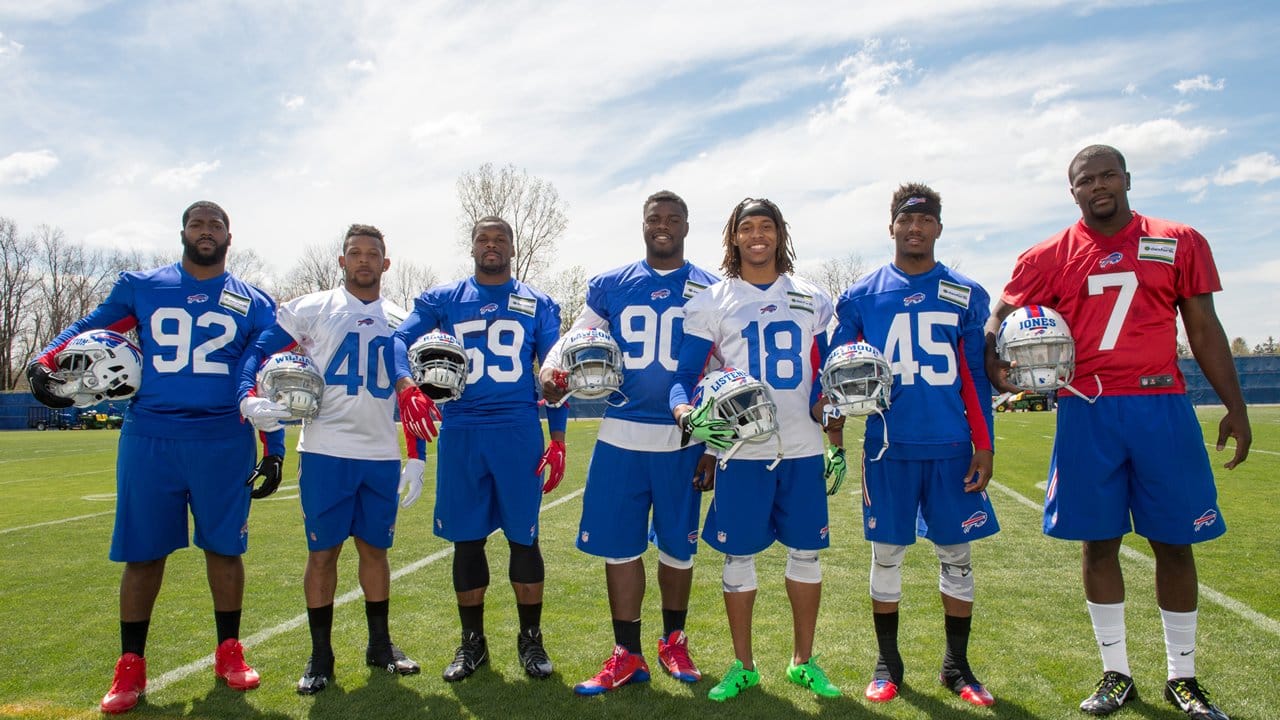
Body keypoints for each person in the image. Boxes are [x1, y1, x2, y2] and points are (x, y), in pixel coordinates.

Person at [985, 145, 1251, 720]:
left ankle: (1183, 677)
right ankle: (1116, 672)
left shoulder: (1179, 238)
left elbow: (1203, 326)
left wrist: (1236, 405)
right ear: (1072, 189)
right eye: (1087, 179)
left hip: (1162, 405)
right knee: (1098, 542)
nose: (1099, 185)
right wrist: (999, 367)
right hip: (1089, 407)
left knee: (1174, 543)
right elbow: (997, 321)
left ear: (1127, 178)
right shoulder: (1049, 255)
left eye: (1108, 175)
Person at [26, 201, 282, 714]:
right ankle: (130, 665)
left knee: (225, 549)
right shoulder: (142, 285)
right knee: (142, 554)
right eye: (197, 224)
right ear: (183, 232)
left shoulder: (255, 301)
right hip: (152, 436)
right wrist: (43, 357)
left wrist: (273, 449)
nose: (205, 231)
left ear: (230, 236)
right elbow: (90, 324)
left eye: (215, 225)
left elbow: (266, 378)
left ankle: (230, 651)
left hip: (222, 436)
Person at [537, 191, 720, 695]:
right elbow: (574, 338)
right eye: (654, 219)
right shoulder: (611, 284)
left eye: (672, 219)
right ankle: (627, 653)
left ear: (687, 225)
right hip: (620, 435)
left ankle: (673, 642)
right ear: (643, 225)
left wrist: (714, 445)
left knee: (679, 551)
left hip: (683, 438)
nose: (663, 226)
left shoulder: (711, 287)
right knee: (619, 549)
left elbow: (726, 364)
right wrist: (552, 372)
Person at [235, 224, 426, 695]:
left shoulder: (404, 320)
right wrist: (247, 397)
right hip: (325, 451)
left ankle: (379, 645)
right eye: (354, 253)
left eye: (372, 254)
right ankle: (321, 654)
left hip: (380, 453)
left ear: (386, 262)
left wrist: (416, 455)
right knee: (323, 553)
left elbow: (415, 398)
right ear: (342, 262)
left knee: (375, 552)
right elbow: (257, 354)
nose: (363, 261)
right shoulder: (311, 309)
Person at [829, 183, 998, 707]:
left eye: (927, 220)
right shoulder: (861, 295)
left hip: (950, 444)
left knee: (957, 555)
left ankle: (957, 665)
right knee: (887, 555)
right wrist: (834, 429)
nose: (916, 228)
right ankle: (888, 662)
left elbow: (973, 375)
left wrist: (984, 443)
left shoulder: (965, 292)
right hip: (888, 447)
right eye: (907, 219)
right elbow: (837, 373)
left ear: (939, 229)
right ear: (893, 227)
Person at [668, 197, 839, 702]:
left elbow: (825, 378)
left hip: (802, 447)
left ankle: (803, 661)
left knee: (806, 554)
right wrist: (685, 416)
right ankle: (742, 665)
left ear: (780, 234)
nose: (758, 235)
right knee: (738, 557)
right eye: (748, 227)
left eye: (768, 226)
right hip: (742, 450)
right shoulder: (712, 300)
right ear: (734, 237)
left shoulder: (812, 296)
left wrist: (831, 421)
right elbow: (683, 379)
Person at [393, 216, 569, 682]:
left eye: (500, 239)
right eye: (483, 239)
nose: (492, 246)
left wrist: (559, 439)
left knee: (524, 539)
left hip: (517, 429)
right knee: (467, 541)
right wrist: (406, 383)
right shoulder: (444, 299)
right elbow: (396, 340)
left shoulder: (537, 302)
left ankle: (530, 639)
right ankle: (473, 642)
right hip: (463, 427)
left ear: (512, 247)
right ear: (471, 246)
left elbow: (554, 372)